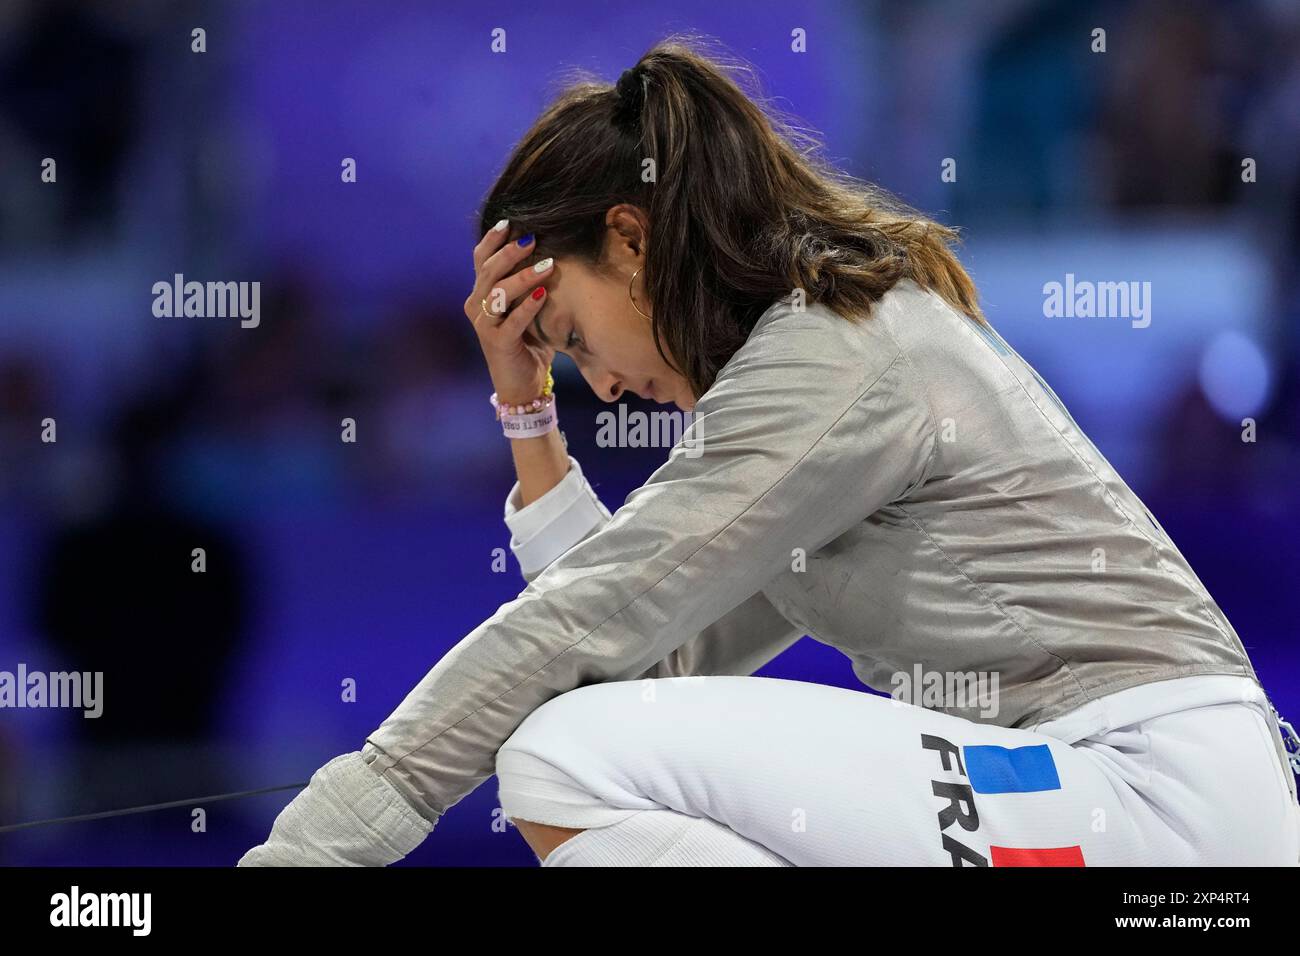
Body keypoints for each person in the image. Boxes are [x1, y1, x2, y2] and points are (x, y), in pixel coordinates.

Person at [237, 38, 1300, 867]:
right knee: (581, 735)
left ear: (631, 238)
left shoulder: (833, 355)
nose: (602, 384)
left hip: (1153, 796)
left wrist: (319, 843)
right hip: (1128, 792)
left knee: (560, 759)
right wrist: (527, 412)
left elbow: (588, 626)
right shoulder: (813, 360)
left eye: (571, 339)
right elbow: (642, 663)